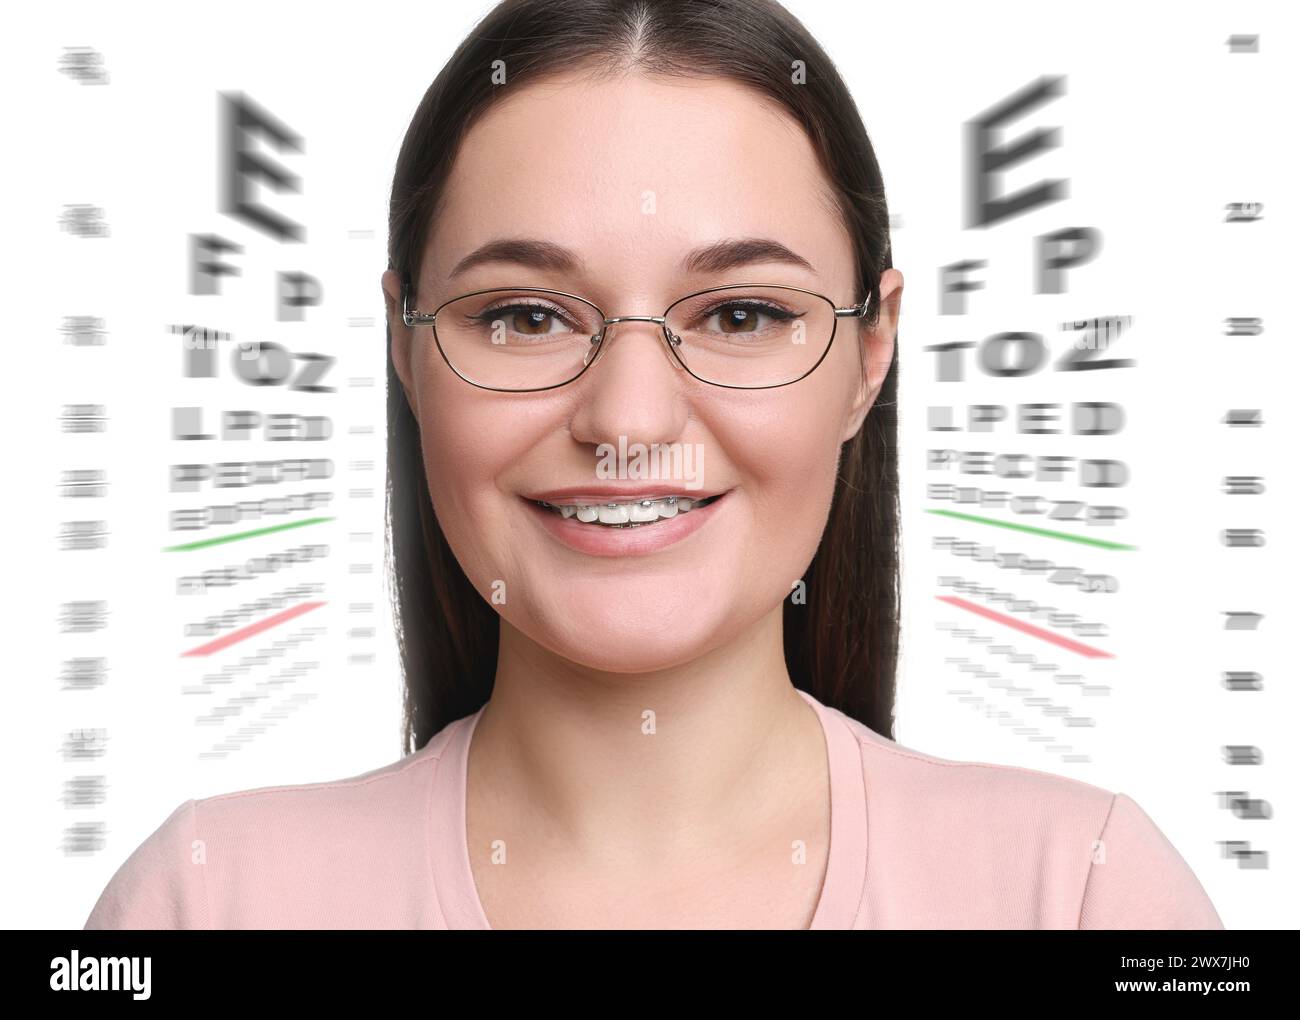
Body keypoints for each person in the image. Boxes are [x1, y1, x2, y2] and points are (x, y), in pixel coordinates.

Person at [85, 0, 1223, 929]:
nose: (625, 417)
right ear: (406, 347)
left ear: (869, 354)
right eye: (526, 317)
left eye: (737, 314)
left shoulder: (1086, 893)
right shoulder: (201, 903)